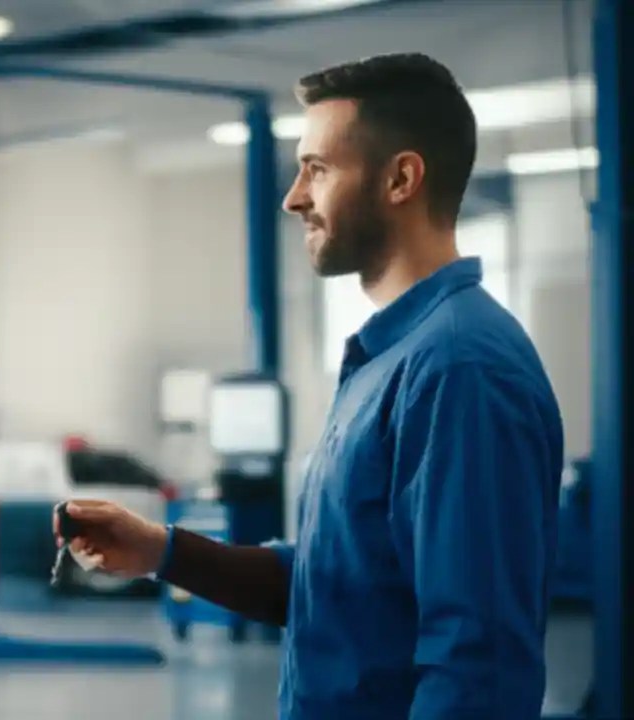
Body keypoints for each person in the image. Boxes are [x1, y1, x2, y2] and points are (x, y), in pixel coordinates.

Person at [56, 53, 564, 719]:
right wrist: (164, 550)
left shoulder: (461, 368)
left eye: (317, 169)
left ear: (401, 179)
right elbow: (339, 583)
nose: (294, 197)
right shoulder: (392, 357)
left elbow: (478, 664)